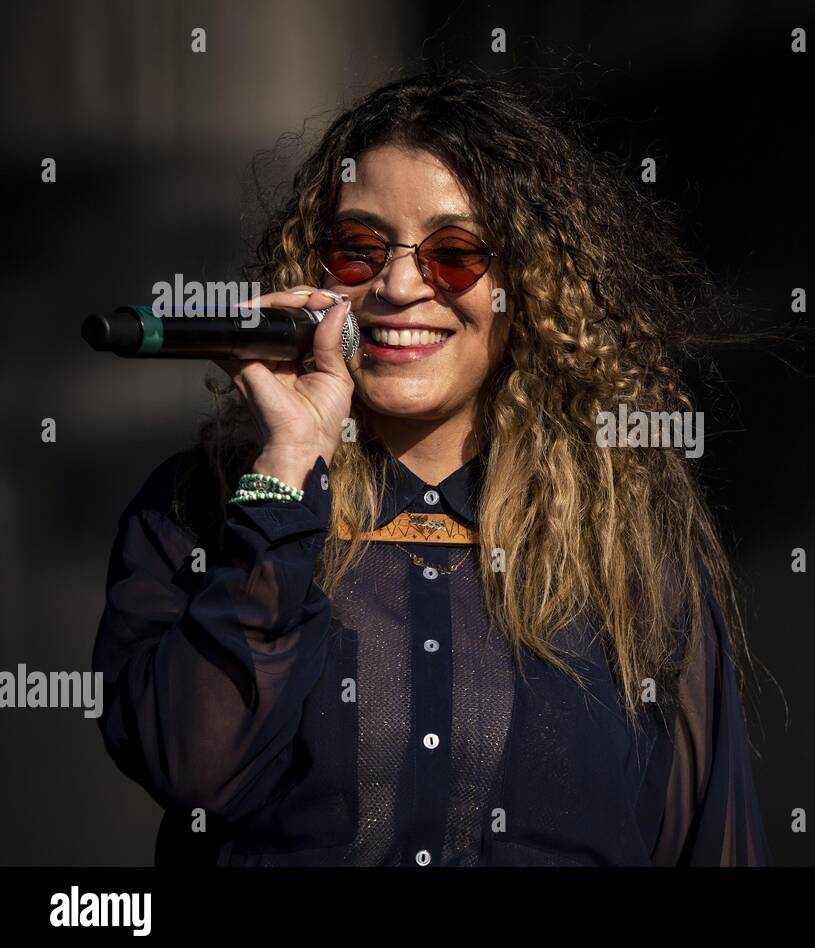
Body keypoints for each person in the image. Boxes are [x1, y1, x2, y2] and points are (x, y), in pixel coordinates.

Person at [91, 68, 772, 866]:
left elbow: (710, 839)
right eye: (358, 248)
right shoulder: (197, 511)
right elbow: (192, 766)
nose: (398, 285)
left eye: (454, 254)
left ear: (531, 285)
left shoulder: (631, 552)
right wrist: (287, 469)